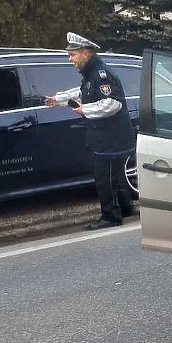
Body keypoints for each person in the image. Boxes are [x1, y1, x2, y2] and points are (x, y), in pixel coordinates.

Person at [45, 32, 136, 230]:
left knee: (105, 178)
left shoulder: (101, 74)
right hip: (103, 137)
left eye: (72, 55)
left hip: (110, 139)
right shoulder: (91, 74)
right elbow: (83, 91)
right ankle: (124, 208)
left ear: (85, 53)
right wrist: (58, 99)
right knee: (109, 175)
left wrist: (85, 110)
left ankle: (111, 216)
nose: (70, 59)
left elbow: (113, 104)